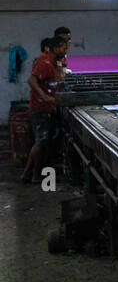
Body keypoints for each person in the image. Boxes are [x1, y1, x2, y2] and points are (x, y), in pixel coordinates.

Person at [22, 37, 66, 184]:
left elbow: (56, 82)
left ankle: (29, 174)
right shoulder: (44, 63)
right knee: (41, 142)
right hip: (39, 108)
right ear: (53, 48)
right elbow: (31, 81)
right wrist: (45, 97)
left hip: (47, 107)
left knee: (43, 142)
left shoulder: (55, 64)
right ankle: (34, 175)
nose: (65, 50)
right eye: (63, 47)